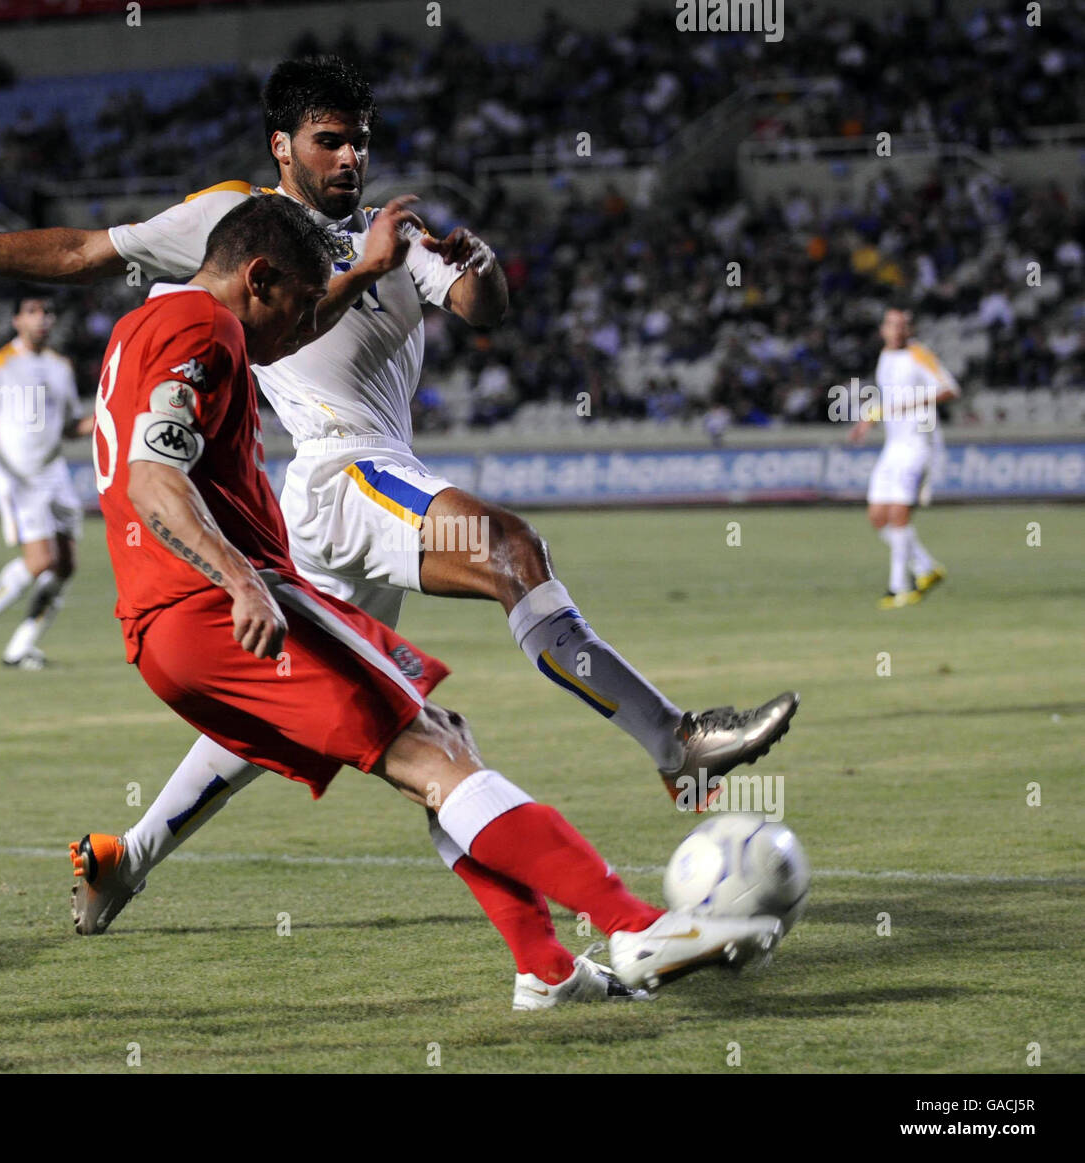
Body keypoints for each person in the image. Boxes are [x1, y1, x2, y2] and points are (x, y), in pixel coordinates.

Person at [0, 57, 797, 1002]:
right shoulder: (225, 237)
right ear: (283, 148)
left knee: (363, 723)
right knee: (498, 575)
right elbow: (97, 265)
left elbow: (475, 308)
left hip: (245, 563)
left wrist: (475, 270)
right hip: (340, 477)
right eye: (328, 139)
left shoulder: (380, 239)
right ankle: (661, 784)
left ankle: (140, 854)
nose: (348, 157)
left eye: (360, 140)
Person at [76, 192, 785, 1001]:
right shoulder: (204, 327)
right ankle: (635, 924)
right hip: (215, 600)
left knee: (439, 741)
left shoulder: (143, 324)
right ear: (259, 277)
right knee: (436, 749)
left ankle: (545, 969)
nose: (303, 329)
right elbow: (153, 478)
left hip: (169, 627)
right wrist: (240, 579)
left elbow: (158, 451)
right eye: (301, 308)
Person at [0, 291, 95, 668]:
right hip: (18, 474)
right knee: (40, 559)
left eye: (47, 311)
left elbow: (70, 426)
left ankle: (21, 647)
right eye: (32, 311)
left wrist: (104, 418)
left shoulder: (60, 367)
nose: (42, 318)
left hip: (55, 472)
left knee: (65, 565)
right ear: (17, 320)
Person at [849, 307, 958, 609]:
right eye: (891, 325)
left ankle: (899, 588)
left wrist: (912, 403)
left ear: (910, 330)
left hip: (919, 442)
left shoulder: (919, 354)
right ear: (883, 330)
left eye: (902, 326)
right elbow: (889, 398)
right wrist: (868, 420)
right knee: (877, 516)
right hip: (894, 445)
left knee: (898, 513)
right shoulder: (885, 358)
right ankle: (925, 567)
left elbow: (950, 389)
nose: (897, 330)